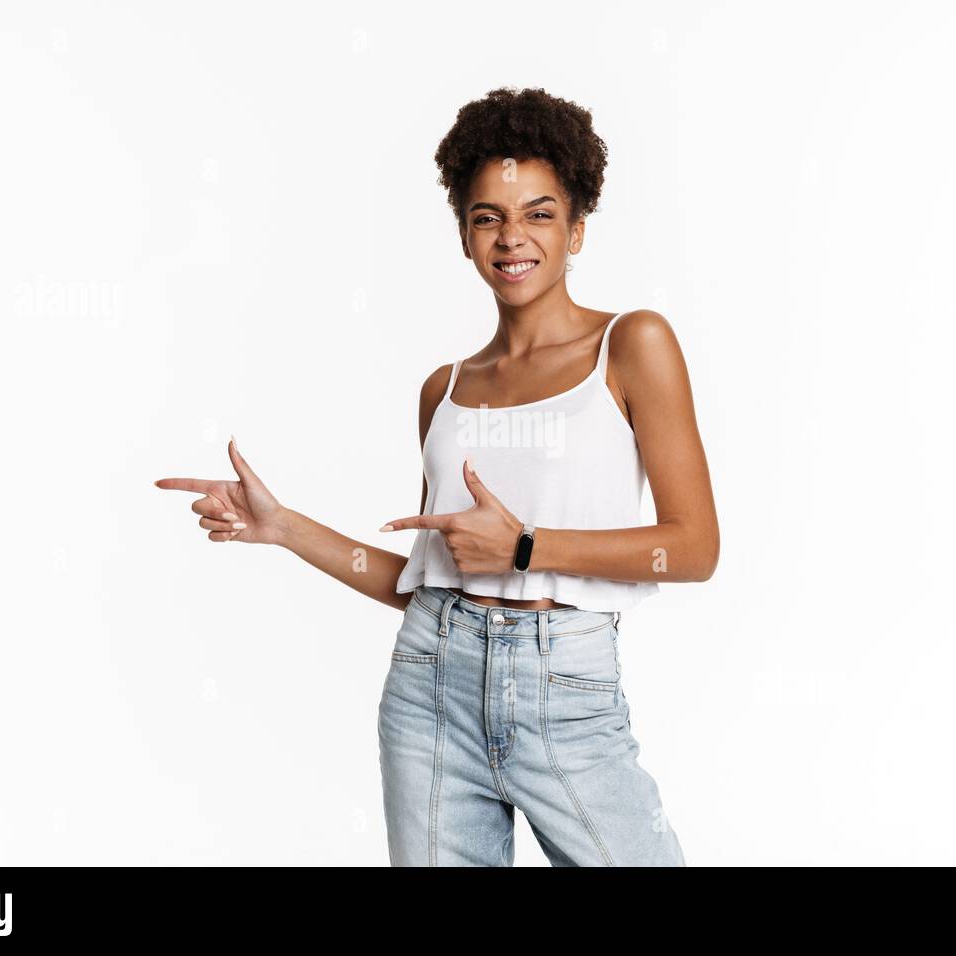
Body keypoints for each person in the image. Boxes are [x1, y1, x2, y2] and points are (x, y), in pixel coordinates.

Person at [155, 87, 719, 866]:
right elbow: (425, 580)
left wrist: (526, 548)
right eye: (488, 216)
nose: (511, 238)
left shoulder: (632, 346)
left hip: (567, 688)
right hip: (430, 686)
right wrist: (282, 528)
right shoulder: (445, 391)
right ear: (463, 234)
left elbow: (693, 549)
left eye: (540, 213)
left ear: (578, 228)